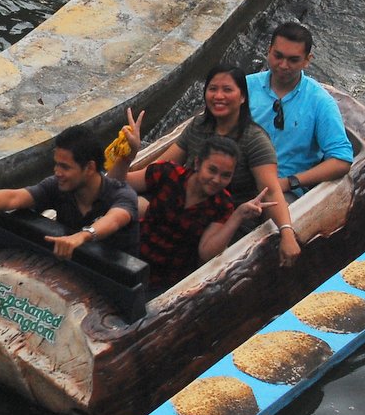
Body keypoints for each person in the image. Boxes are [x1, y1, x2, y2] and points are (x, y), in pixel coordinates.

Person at [121, 64, 301, 267]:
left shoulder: (255, 140)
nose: (219, 96)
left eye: (227, 90)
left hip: (228, 218)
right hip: (189, 202)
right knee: (131, 205)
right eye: (213, 89)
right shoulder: (199, 126)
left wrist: (287, 233)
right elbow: (158, 168)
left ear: (242, 97)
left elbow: (271, 192)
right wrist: (126, 156)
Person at [109, 125, 276, 289]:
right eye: (212, 170)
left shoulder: (222, 204)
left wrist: (238, 216)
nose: (216, 180)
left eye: (225, 175)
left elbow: (206, 252)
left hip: (167, 277)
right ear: (197, 164)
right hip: (131, 254)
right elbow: (115, 184)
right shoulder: (168, 173)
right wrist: (128, 156)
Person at [0, 124, 139, 259]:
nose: (57, 172)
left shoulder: (122, 195)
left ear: (89, 168)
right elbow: (14, 197)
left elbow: (114, 219)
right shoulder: (57, 187)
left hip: (116, 277)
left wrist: (82, 236)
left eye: (65, 167)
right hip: (73, 266)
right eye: (57, 165)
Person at [247, 22, 354, 200]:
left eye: (293, 60)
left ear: (307, 60)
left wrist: (289, 182)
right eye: (278, 56)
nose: (283, 65)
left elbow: (341, 160)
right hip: (237, 177)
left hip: (283, 190)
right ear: (269, 51)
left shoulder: (320, 102)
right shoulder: (245, 87)